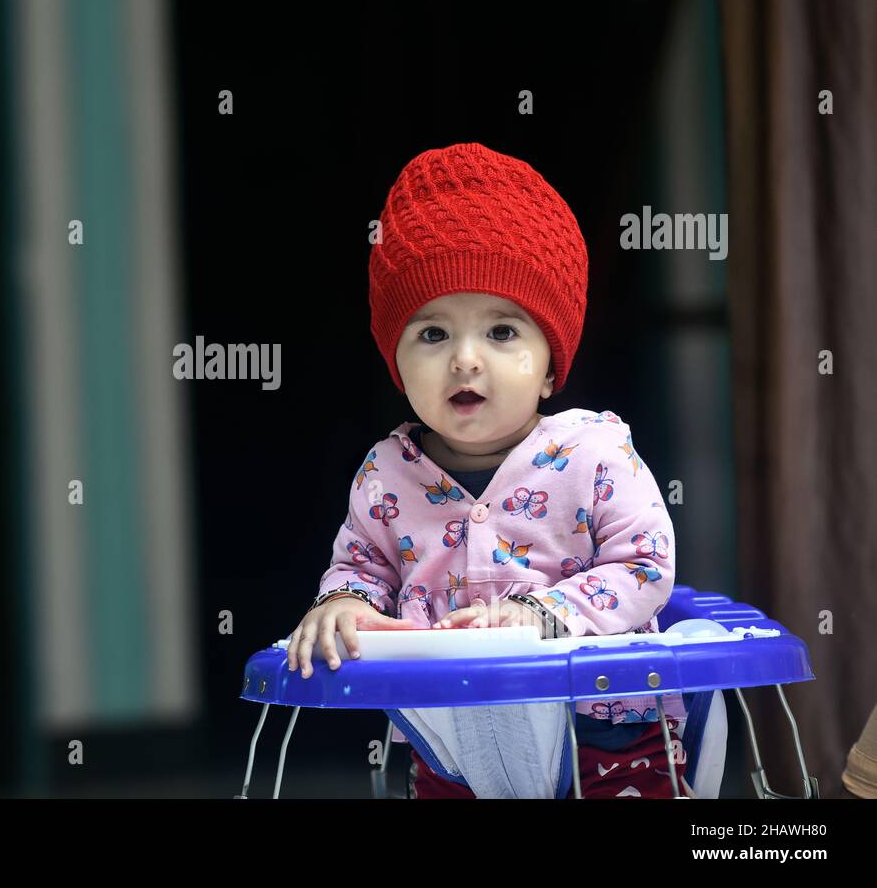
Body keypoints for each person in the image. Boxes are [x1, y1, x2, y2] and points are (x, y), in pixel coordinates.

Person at [286, 143, 690, 798]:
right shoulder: (385, 475)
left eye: (502, 332)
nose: (465, 359)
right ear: (397, 361)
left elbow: (645, 564)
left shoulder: (593, 453)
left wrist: (543, 614)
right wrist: (343, 603)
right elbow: (362, 568)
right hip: (453, 746)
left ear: (551, 363)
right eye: (433, 334)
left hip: (609, 738)